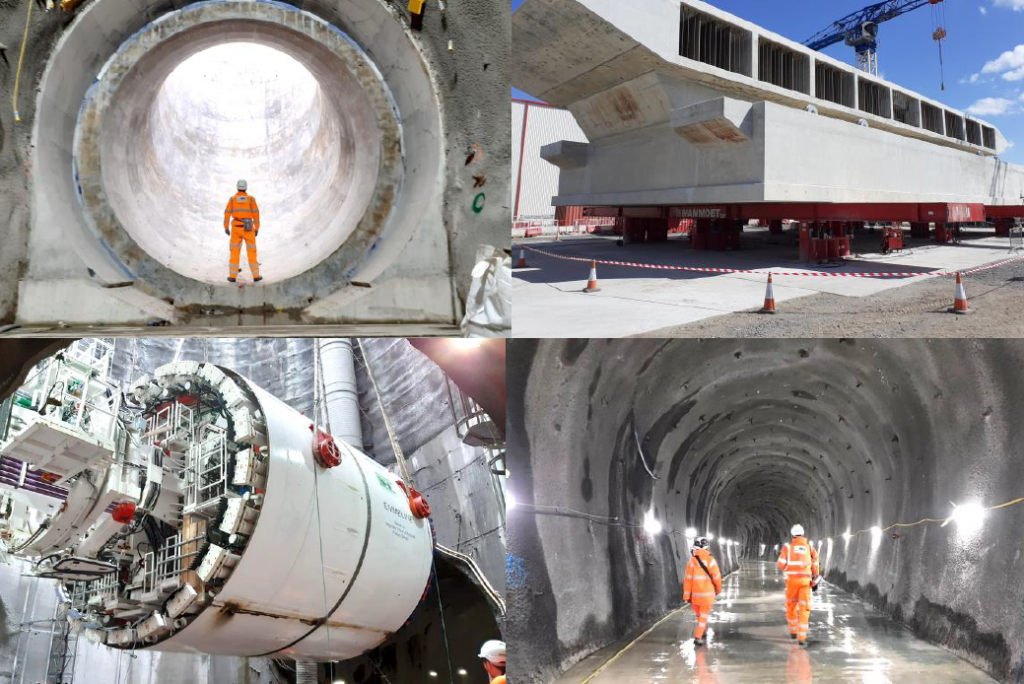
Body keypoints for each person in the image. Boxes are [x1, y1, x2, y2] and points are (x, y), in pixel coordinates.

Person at [777, 524, 820, 647]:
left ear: (792, 535)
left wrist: (788, 568)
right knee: (804, 608)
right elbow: (815, 566)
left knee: (791, 606)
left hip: (792, 582)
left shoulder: (788, 548)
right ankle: (802, 638)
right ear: (803, 534)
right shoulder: (810, 549)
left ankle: (793, 632)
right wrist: (814, 578)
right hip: (805, 583)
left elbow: (780, 564)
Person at [682, 537, 721, 646]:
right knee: (703, 617)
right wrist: (718, 590)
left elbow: (687, 580)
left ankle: (703, 632)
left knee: (700, 616)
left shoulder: (691, 562)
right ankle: (698, 637)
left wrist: (686, 596)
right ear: (707, 548)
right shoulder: (711, 561)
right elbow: (716, 578)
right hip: (707, 596)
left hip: (695, 597)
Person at [223, 180, 262, 283]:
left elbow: (227, 213)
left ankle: (232, 275)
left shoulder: (232, 199)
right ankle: (256, 276)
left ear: (237, 187)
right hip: (248, 227)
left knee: (234, 251)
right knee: (251, 252)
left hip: (236, 227)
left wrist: (226, 227)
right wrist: (257, 228)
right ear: (246, 188)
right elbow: (256, 214)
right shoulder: (251, 199)